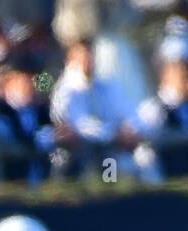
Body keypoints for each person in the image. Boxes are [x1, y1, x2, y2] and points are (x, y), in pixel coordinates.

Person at [50, 39, 141, 176]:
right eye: (81, 57)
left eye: (89, 55)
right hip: (78, 155)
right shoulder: (65, 90)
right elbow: (80, 124)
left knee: (114, 182)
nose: (87, 61)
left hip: (108, 151)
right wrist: (113, 134)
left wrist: (129, 130)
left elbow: (126, 110)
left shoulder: (105, 85)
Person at [138, 55, 188, 179]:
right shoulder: (152, 108)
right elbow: (144, 152)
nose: (186, 79)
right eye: (179, 72)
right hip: (164, 182)